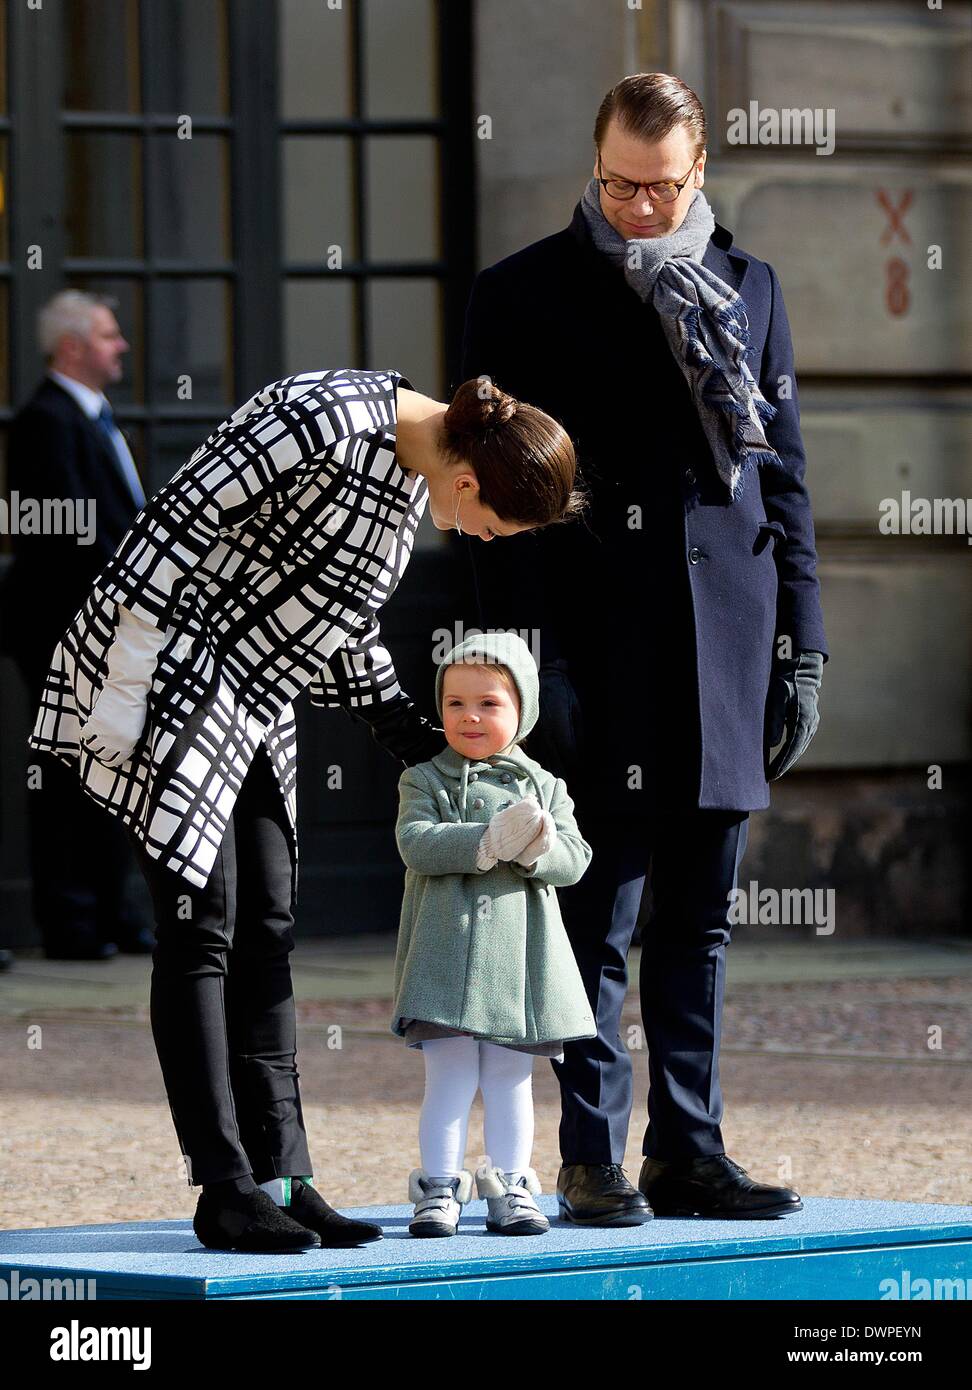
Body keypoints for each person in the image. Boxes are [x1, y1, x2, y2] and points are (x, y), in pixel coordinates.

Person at [26, 368, 580, 1253]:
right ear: (469, 480)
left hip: (253, 693)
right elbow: (175, 522)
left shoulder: (410, 476)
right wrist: (134, 683)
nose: (477, 537)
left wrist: (418, 740)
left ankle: (284, 1175)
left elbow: (339, 635)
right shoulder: (322, 416)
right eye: (489, 527)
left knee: (269, 921)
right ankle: (223, 1185)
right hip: (169, 663)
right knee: (202, 922)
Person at [460, 72, 828, 1223]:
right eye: (618, 183)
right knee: (595, 916)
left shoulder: (750, 287)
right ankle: (591, 1157)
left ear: (699, 170)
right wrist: (526, 662)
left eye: (659, 188)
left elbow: (786, 483)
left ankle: (688, 1148)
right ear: (596, 160)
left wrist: (801, 647)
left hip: (727, 645)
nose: (636, 207)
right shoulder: (519, 294)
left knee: (701, 921)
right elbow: (489, 500)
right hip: (592, 651)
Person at [391, 629, 599, 1238]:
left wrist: (537, 848)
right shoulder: (423, 778)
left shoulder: (545, 787)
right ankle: (439, 1186)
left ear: (523, 710)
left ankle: (511, 1183)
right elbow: (415, 844)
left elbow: (577, 859)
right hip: (444, 959)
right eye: (455, 703)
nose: (470, 717)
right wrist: (483, 844)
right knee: (449, 1076)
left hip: (522, 965)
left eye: (489, 704)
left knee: (511, 1079)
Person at [1, 290, 152, 960]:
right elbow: (63, 533)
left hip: (109, 629)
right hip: (67, 628)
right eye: (108, 335)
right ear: (71, 347)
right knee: (66, 774)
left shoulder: (91, 415)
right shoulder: (45, 420)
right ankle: (71, 924)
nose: (120, 346)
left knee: (112, 767)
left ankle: (114, 914)